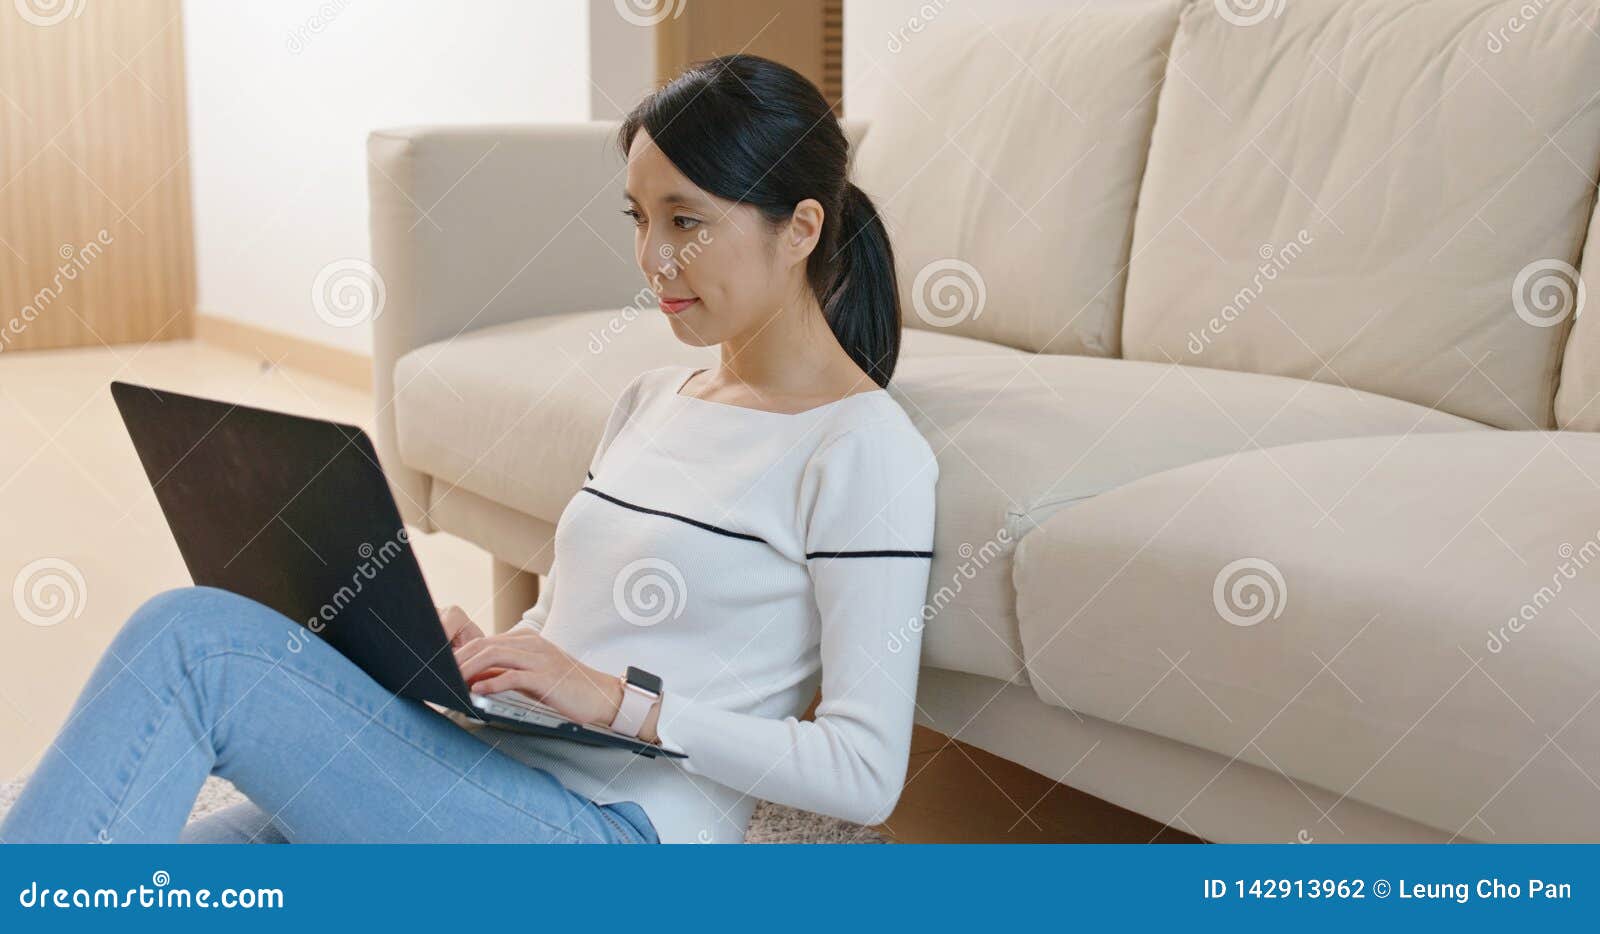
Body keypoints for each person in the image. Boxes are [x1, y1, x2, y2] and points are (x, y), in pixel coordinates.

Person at [0, 53, 938, 845]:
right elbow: (570, 628)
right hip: (481, 778)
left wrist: (617, 703)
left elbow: (861, 772)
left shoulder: (861, 450)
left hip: (610, 839)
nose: (653, 259)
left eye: (686, 220)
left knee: (196, 643)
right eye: (638, 219)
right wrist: (479, 656)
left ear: (800, 229)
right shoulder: (653, 398)